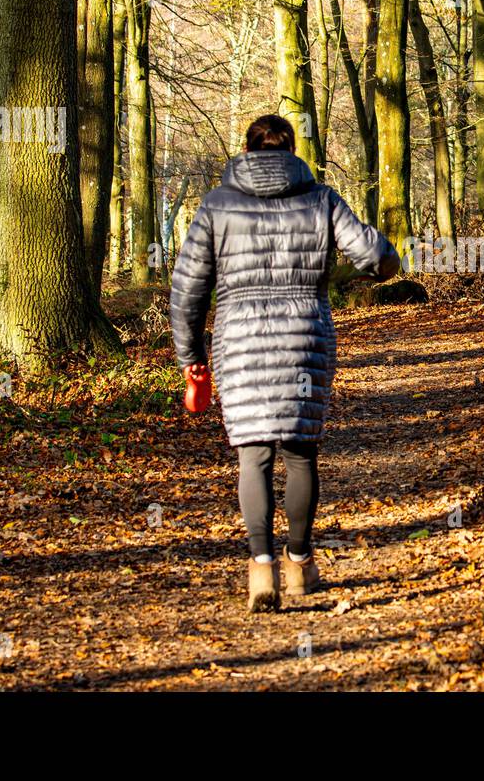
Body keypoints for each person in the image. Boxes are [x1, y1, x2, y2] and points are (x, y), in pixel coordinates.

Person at [170, 114, 400, 612]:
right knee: (299, 454)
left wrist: (191, 358)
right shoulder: (320, 197)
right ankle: (298, 563)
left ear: (247, 151)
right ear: (292, 150)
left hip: (241, 340)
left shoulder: (216, 204)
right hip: (304, 339)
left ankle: (260, 570)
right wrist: (388, 261)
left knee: (253, 456)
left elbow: (188, 289)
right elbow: (372, 255)